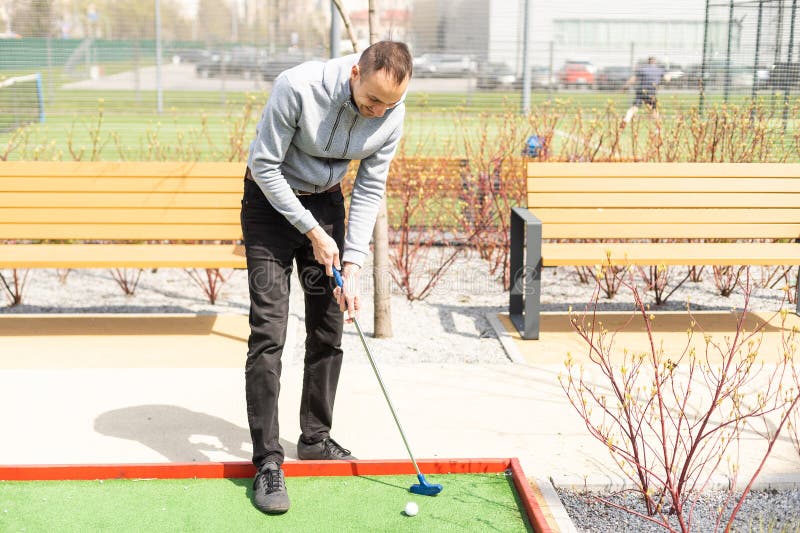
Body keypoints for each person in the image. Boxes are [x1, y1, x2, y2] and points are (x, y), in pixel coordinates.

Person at [240, 41, 412, 515]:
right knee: (269, 332)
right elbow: (264, 166)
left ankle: (314, 438)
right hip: (270, 205)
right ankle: (268, 461)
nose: (378, 112)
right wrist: (312, 231)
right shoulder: (297, 87)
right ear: (356, 72)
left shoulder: (391, 112)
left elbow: (372, 185)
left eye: (389, 105)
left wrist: (352, 262)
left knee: (329, 326)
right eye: (372, 100)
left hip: (326, 203)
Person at [620, 56, 665, 129]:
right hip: (651, 91)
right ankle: (657, 128)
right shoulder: (659, 70)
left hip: (641, 90)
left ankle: (626, 118)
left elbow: (633, 78)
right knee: (654, 109)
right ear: (655, 62)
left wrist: (625, 86)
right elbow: (666, 78)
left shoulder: (642, 69)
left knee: (635, 107)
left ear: (648, 61)